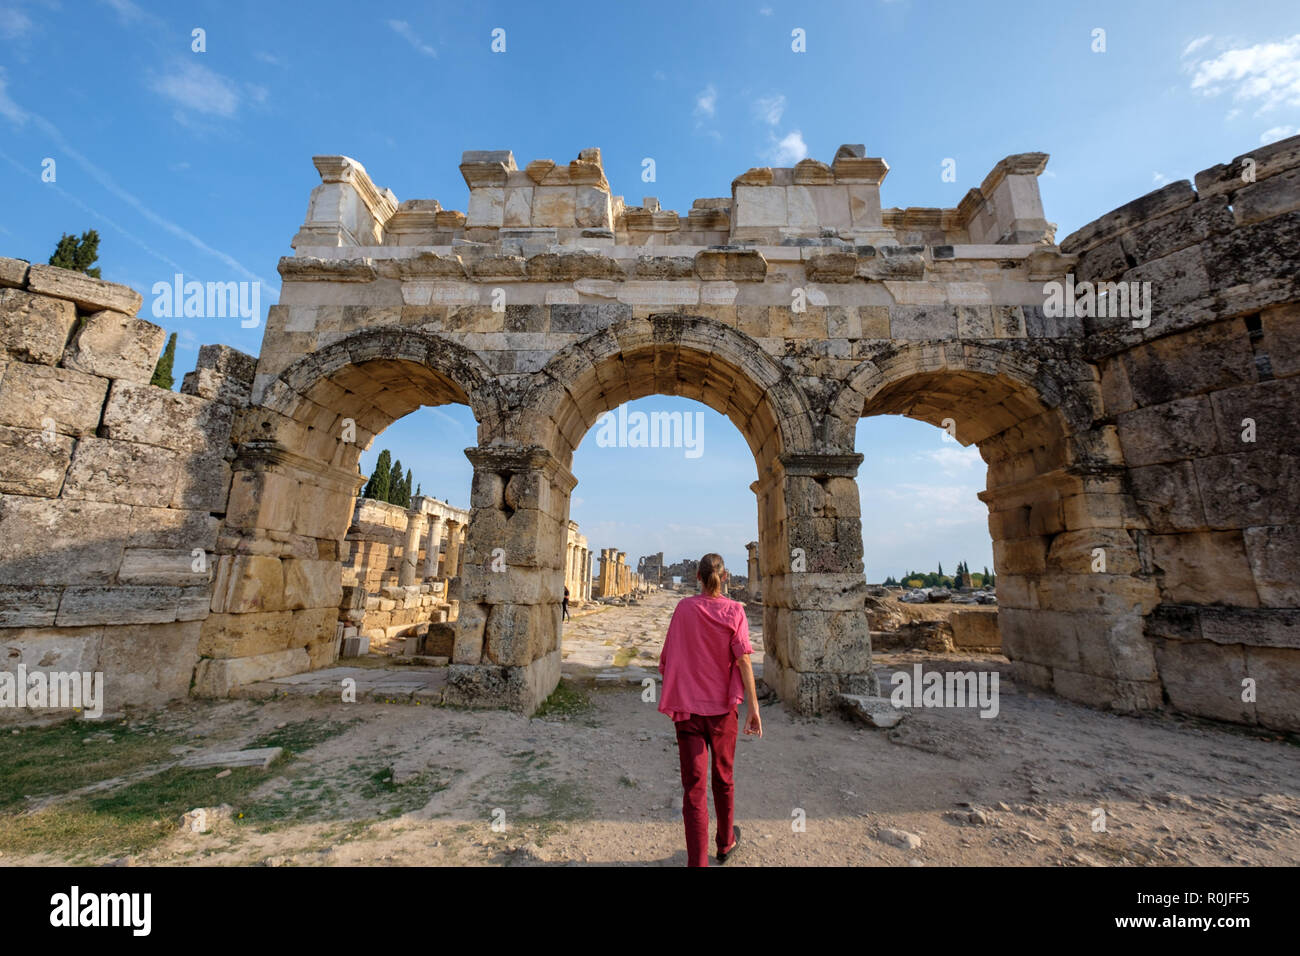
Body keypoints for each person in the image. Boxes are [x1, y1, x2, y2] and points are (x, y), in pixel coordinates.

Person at [658, 553, 762, 867]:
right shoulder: (735, 612)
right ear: (725, 577)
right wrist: (753, 708)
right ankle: (725, 842)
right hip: (722, 712)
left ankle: (697, 863)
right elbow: (743, 660)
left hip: (687, 712)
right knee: (724, 777)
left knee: (693, 787)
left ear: (698, 578)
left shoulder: (683, 609)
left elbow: (668, 657)